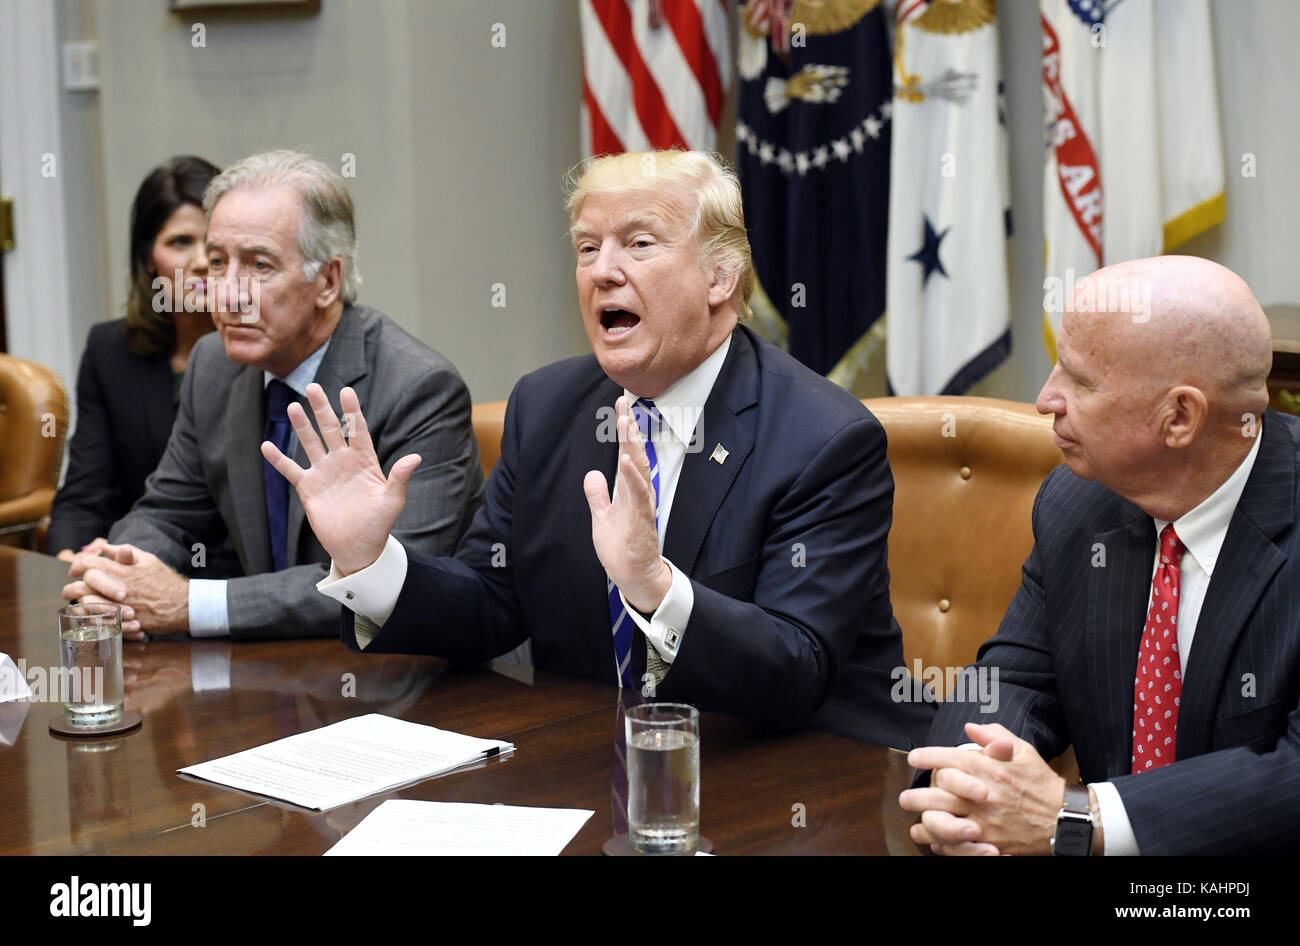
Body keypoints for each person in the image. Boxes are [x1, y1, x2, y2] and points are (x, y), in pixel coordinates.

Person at [262, 150, 932, 748]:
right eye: (587, 249)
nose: (603, 271)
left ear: (721, 277)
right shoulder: (548, 407)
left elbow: (798, 667)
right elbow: (494, 601)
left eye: (639, 244)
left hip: (809, 775)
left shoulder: (823, 437)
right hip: (604, 764)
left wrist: (655, 588)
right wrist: (370, 561)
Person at [900, 256, 1300, 855]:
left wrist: (1081, 819)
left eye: (1080, 382)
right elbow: (1012, 678)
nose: (1044, 399)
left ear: (1180, 417)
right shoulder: (1078, 500)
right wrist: (970, 787)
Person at [62, 150, 483, 641]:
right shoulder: (213, 365)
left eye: (259, 266)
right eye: (218, 262)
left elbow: (388, 583)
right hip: (269, 676)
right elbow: (167, 512)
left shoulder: (418, 388)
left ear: (327, 280)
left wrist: (187, 603)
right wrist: (118, 575)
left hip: (407, 680)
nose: (226, 295)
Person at [49, 156, 221, 558]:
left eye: (212, 243)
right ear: (148, 259)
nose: (200, 261)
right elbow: (86, 492)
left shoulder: (259, 349)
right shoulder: (109, 351)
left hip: (232, 586)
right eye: (180, 242)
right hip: (132, 561)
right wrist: (70, 560)